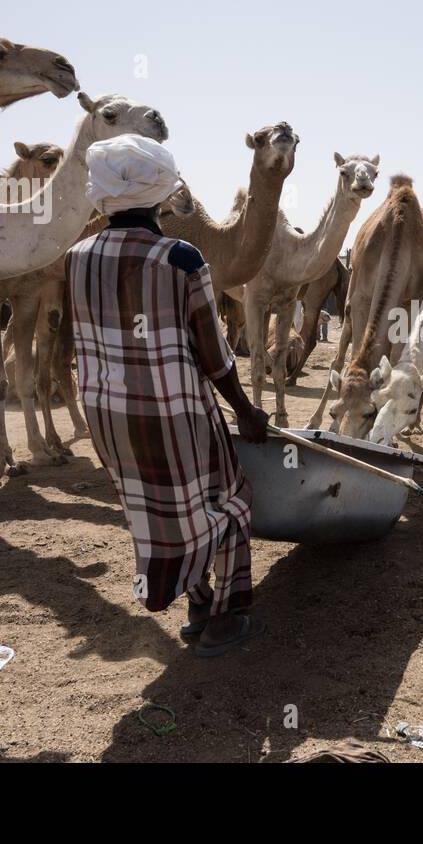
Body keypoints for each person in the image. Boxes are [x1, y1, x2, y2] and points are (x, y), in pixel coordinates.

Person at [66, 134, 270, 656]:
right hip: (174, 411)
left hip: (107, 416)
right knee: (230, 501)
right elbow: (215, 355)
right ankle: (225, 615)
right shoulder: (180, 258)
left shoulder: (75, 257)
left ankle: (196, 602)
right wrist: (245, 412)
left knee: (160, 510)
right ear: (162, 193)